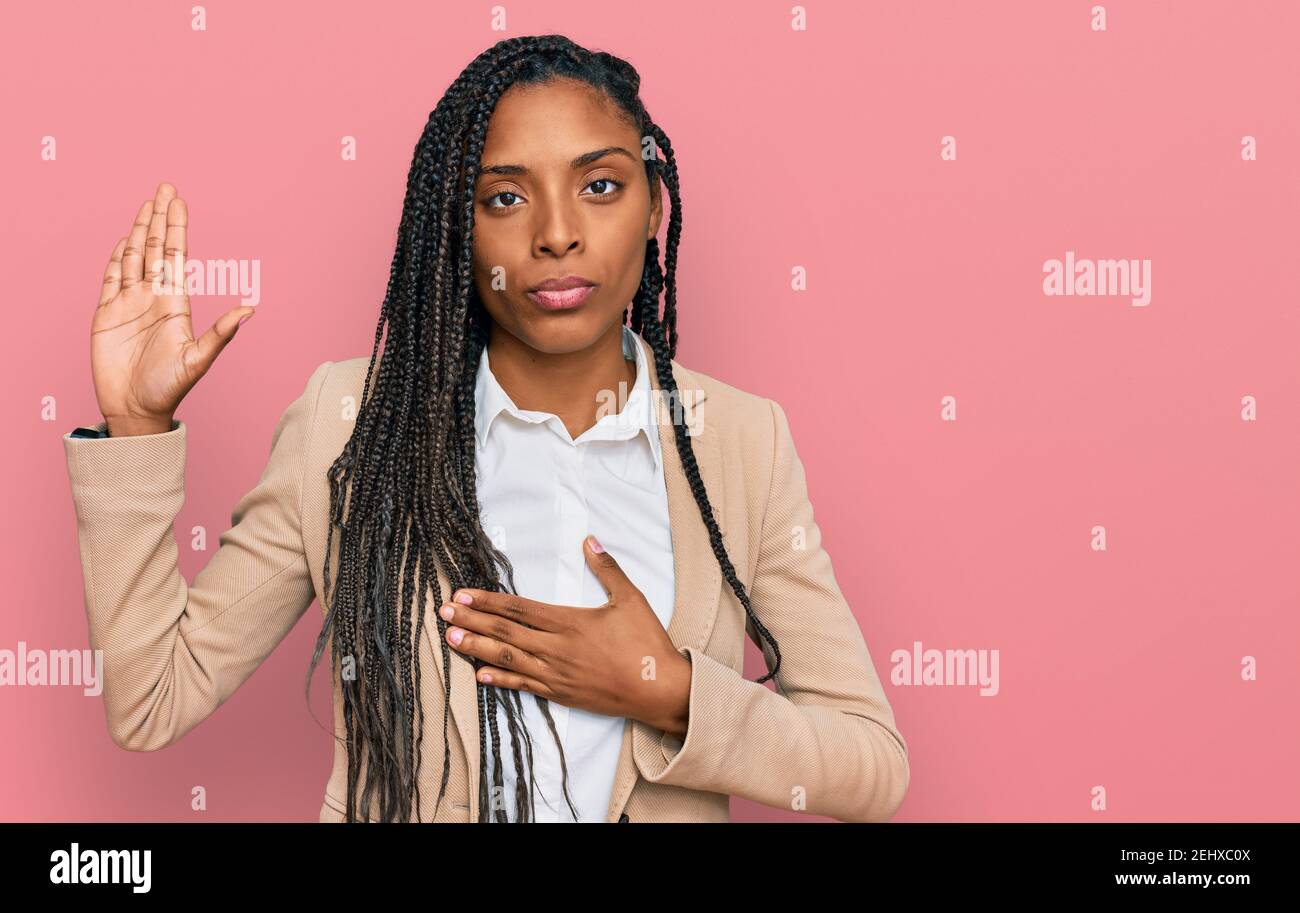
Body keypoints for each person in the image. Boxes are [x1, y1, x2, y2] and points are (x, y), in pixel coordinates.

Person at [63, 34, 909, 824]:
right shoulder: (351, 426)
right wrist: (137, 426)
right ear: (456, 229)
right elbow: (153, 696)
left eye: (600, 186)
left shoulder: (741, 443)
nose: (556, 234)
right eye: (505, 197)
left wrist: (670, 692)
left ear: (654, 206)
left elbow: (872, 762)